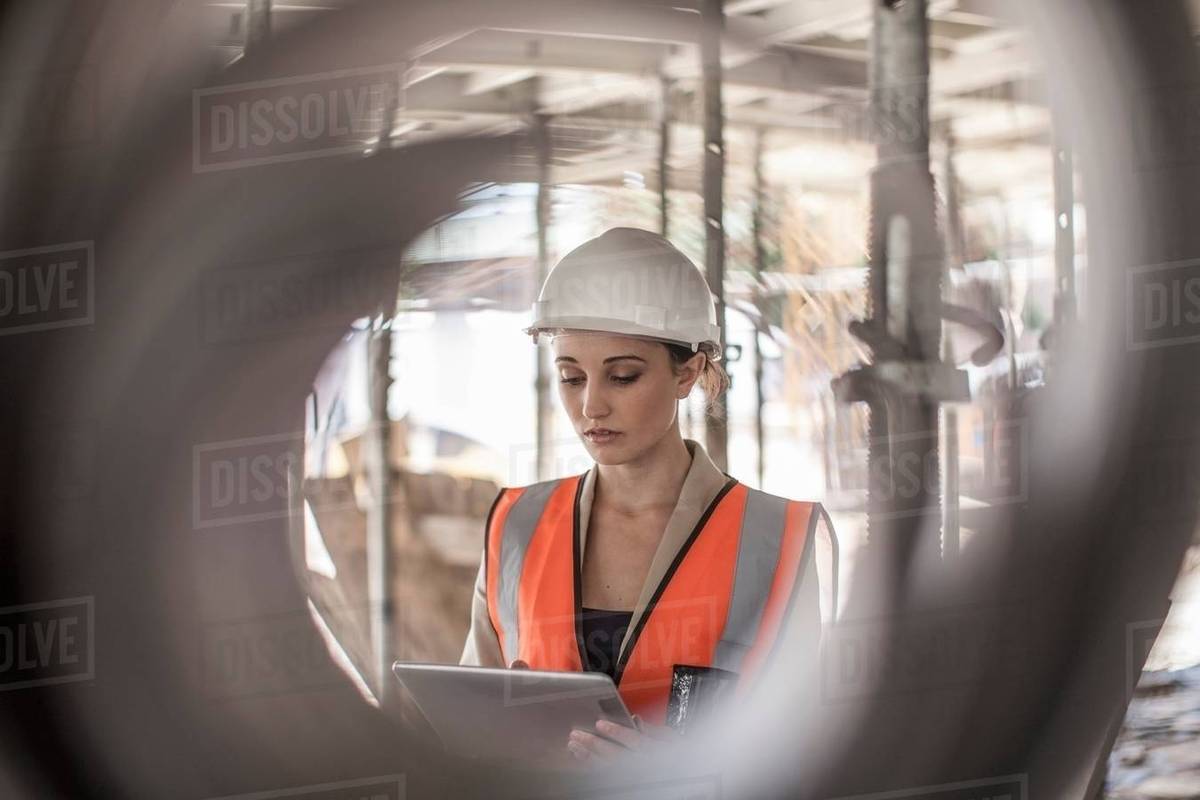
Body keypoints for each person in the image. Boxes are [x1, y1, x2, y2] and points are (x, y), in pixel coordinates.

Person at [459, 227, 836, 763]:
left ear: (688, 372)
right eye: (571, 378)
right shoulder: (516, 523)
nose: (592, 407)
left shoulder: (780, 537)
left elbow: (810, 750)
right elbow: (467, 722)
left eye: (623, 376)